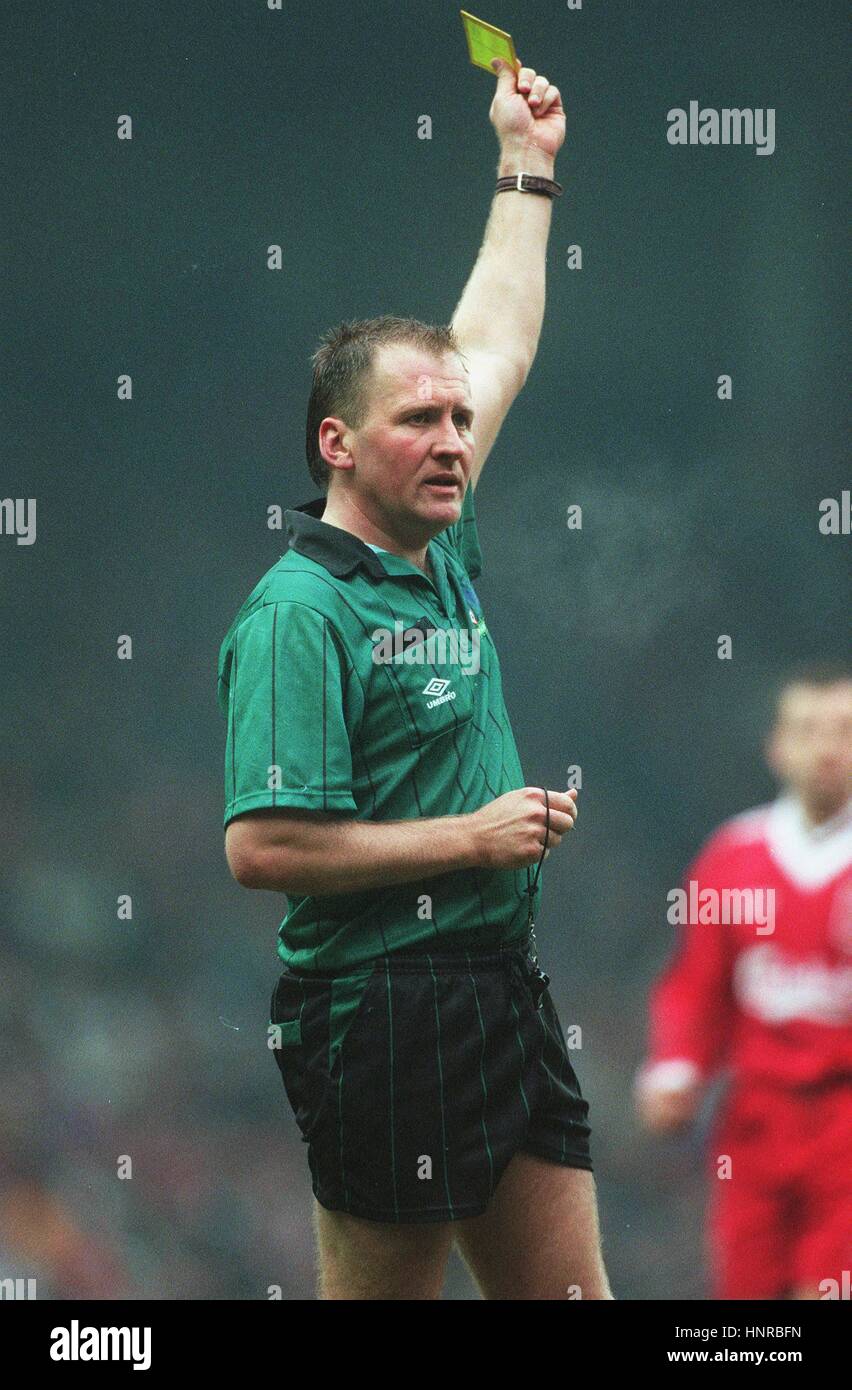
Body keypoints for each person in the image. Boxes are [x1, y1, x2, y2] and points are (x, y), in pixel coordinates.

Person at [217, 58, 612, 1300]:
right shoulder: (300, 611)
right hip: (379, 1009)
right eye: (419, 422)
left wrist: (526, 163)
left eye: (457, 420)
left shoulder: (439, 539)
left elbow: (496, 335)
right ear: (336, 443)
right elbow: (262, 848)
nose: (453, 440)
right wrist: (474, 837)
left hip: (502, 985)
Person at [636, 665, 852, 1300]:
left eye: (844, 730)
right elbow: (695, 984)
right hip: (754, 1124)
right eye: (808, 730)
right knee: (746, 1305)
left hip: (846, 1120)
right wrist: (677, 1067)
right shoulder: (732, 856)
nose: (827, 748)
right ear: (776, 747)